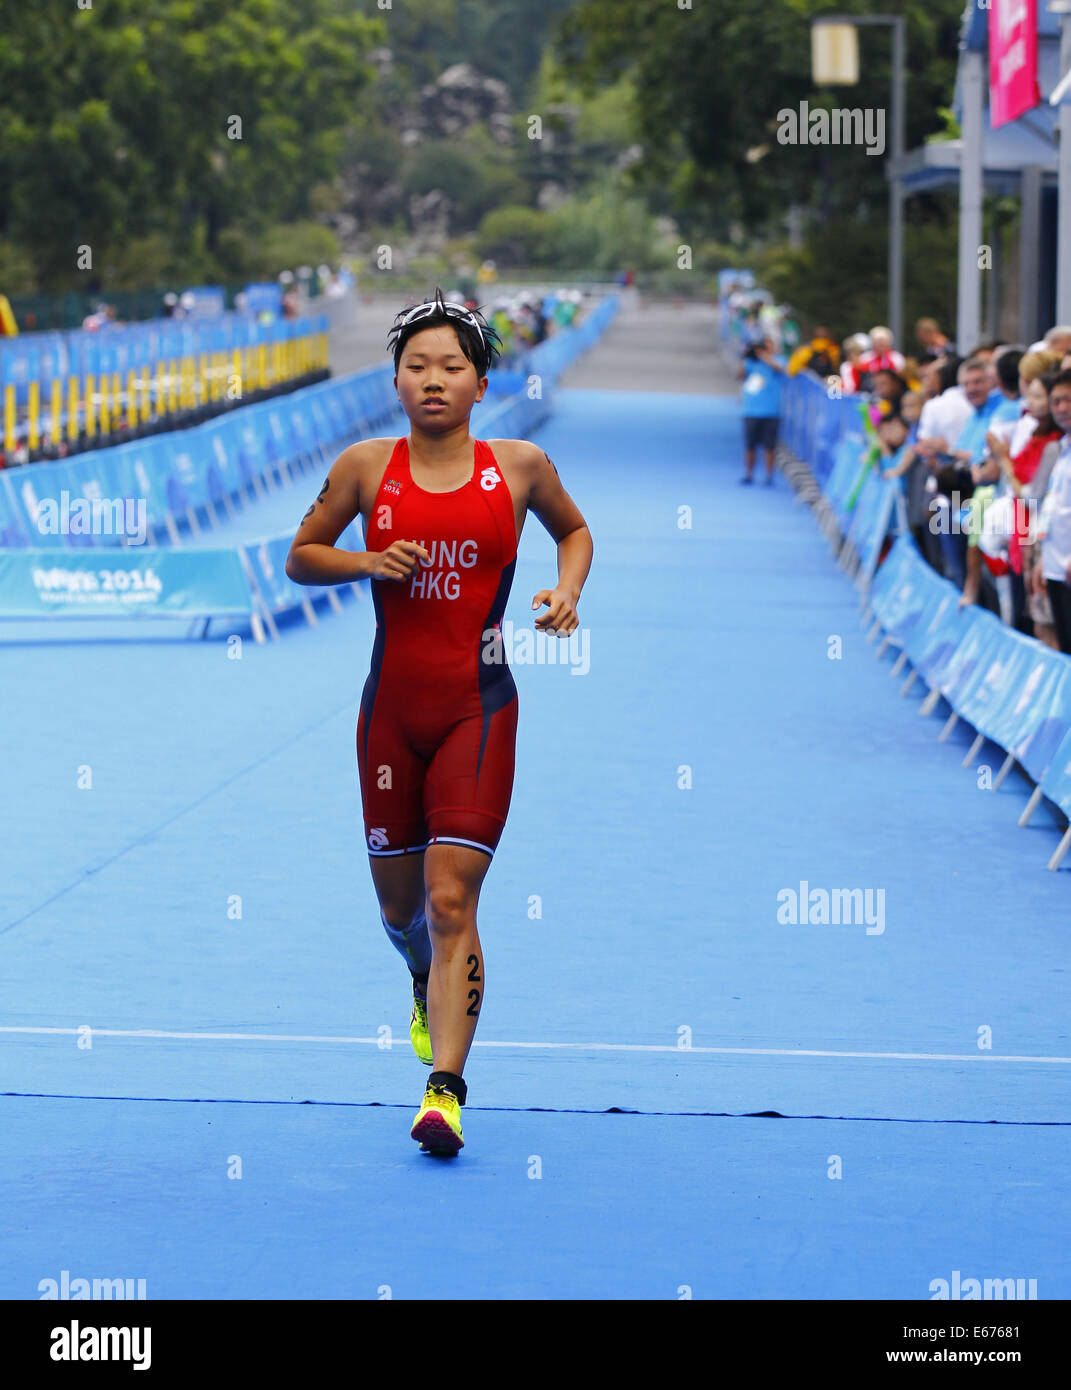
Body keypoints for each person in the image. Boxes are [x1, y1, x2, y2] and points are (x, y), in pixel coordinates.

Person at [284, 289, 593, 1156]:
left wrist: (566, 591)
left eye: (450, 367)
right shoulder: (364, 467)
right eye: (416, 366)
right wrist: (364, 560)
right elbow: (300, 556)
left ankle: (444, 1092)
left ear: (481, 383)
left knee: (451, 894)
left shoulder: (521, 466)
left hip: (479, 707)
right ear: (393, 380)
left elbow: (574, 533)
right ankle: (422, 974)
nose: (432, 380)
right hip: (390, 714)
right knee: (400, 908)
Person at [1036, 370, 1071, 653]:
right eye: (1056, 401)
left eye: (1068, 400)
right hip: (1056, 567)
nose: (1061, 408)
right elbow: (1053, 505)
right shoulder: (1062, 449)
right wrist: (1042, 558)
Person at [738, 336, 785, 486]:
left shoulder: (778, 360)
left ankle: (769, 476)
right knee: (750, 445)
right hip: (751, 411)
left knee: (769, 446)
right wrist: (744, 356)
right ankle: (749, 474)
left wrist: (765, 356)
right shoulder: (750, 362)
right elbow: (739, 375)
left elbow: (780, 368)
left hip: (771, 411)